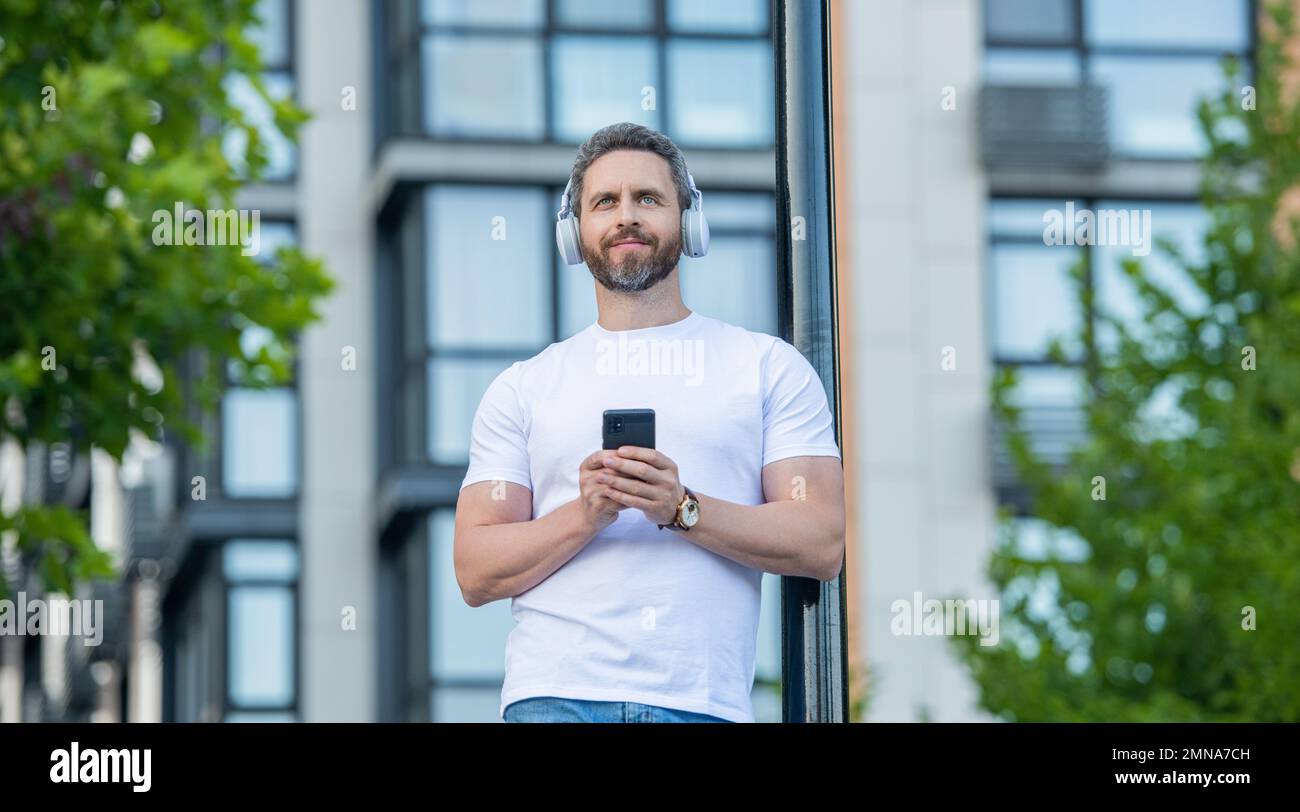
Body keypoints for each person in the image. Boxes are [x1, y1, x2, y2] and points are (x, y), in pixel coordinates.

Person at [453, 122, 845, 724]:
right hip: (555, 699)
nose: (626, 216)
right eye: (605, 202)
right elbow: (475, 568)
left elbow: (820, 539)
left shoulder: (766, 367)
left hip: (700, 704)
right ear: (574, 231)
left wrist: (681, 508)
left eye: (648, 199)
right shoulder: (523, 386)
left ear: (688, 223)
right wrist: (585, 514)